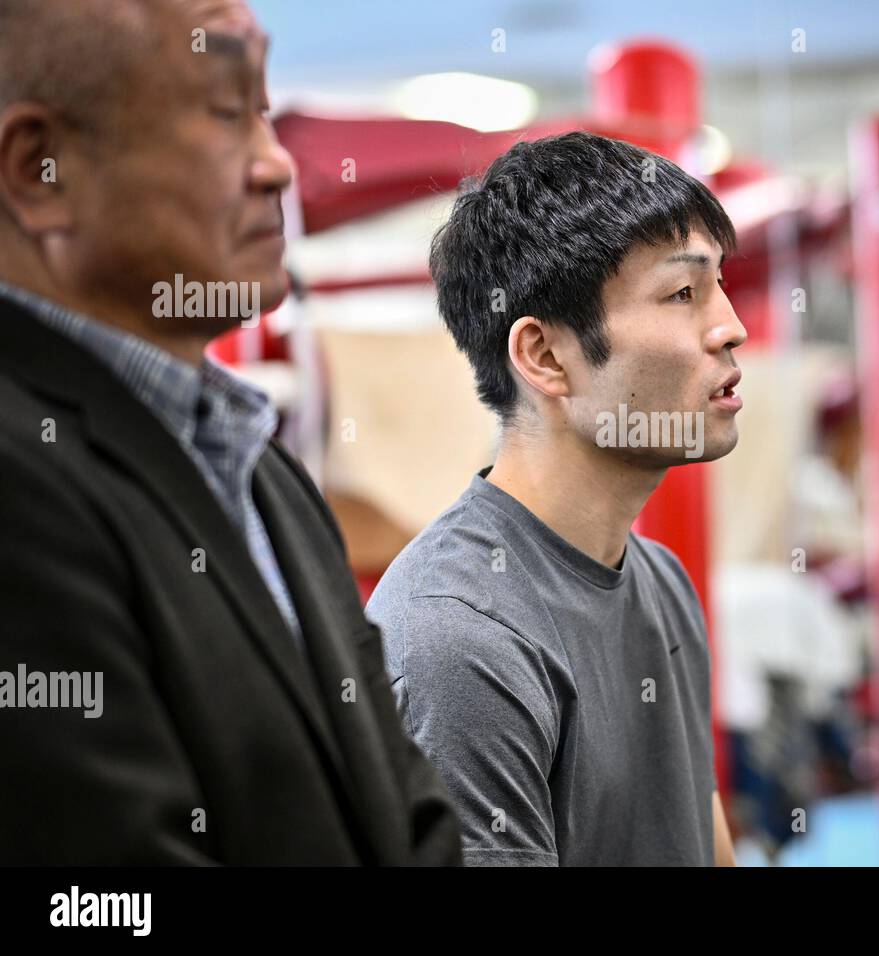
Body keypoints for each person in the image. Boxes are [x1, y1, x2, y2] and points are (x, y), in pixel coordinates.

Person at [0, 0, 461, 864]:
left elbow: (407, 812)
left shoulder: (261, 473)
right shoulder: (21, 477)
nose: (277, 164)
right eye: (223, 115)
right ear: (41, 171)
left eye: (263, 109)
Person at [368, 131, 745, 865]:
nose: (730, 325)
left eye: (719, 285)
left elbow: (708, 845)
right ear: (544, 356)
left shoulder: (661, 582)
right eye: (682, 293)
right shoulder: (459, 641)